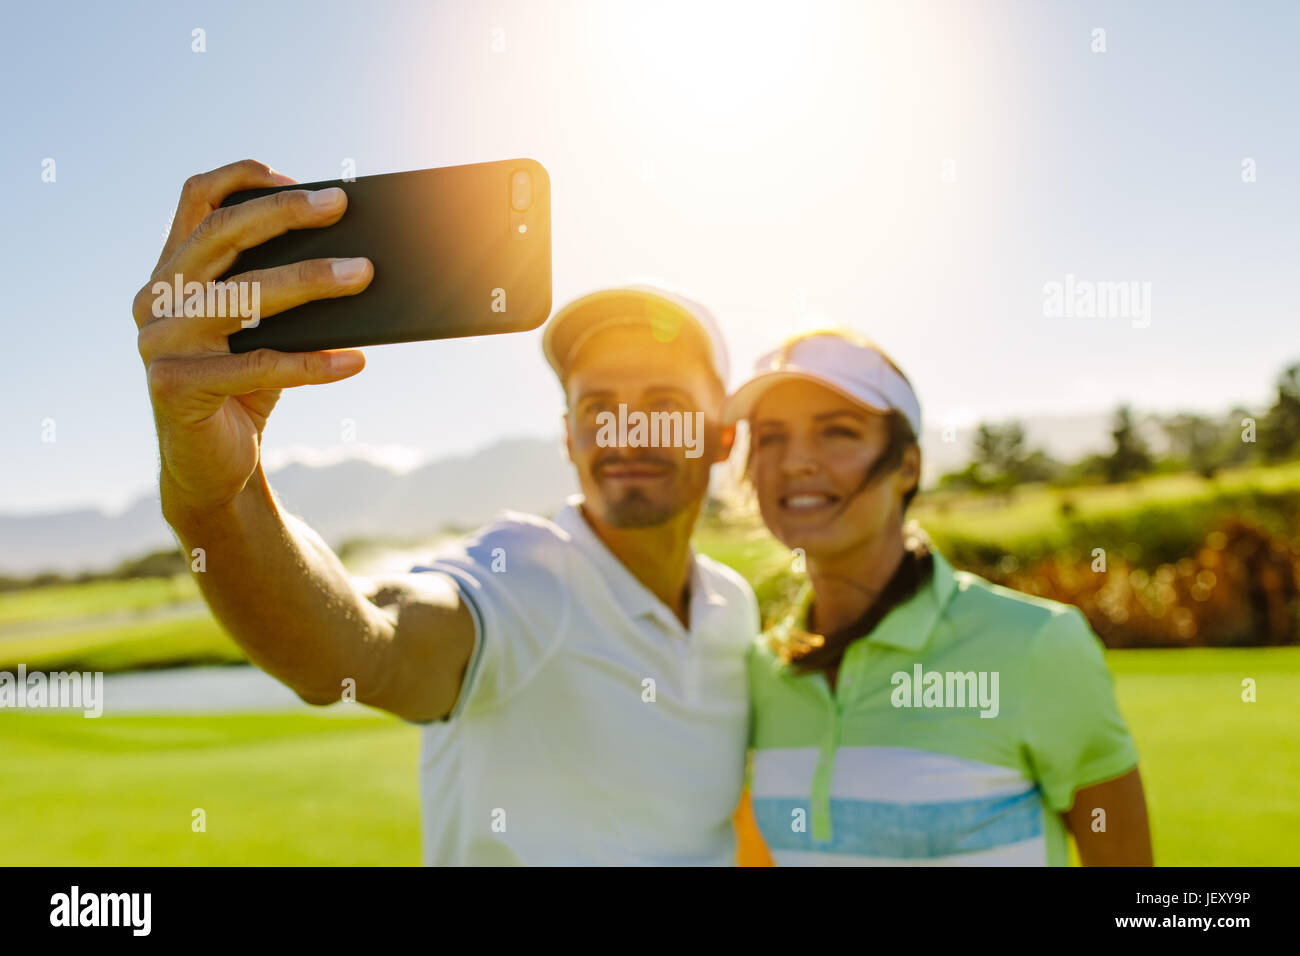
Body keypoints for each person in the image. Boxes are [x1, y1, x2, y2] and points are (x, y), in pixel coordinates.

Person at [133, 159, 757, 865]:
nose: (625, 433)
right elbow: (363, 646)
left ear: (725, 435)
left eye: (665, 407)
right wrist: (218, 497)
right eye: (598, 409)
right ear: (568, 437)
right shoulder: (529, 578)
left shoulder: (734, 610)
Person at [726, 329, 1152, 866]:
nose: (796, 462)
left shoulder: (1037, 645)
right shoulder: (760, 672)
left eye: (836, 432)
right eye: (770, 437)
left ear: (908, 465)